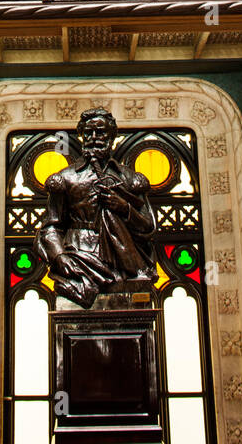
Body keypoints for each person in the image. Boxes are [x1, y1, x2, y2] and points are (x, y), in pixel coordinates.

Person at [35, 107, 157, 308]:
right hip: (79, 254)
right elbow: (51, 227)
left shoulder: (129, 178)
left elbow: (148, 228)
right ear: (81, 136)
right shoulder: (66, 178)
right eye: (88, 133)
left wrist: (124, 207)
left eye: (100, 132)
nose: (94, 138)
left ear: (112, 136)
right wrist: (59, 256)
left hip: (122, 258)